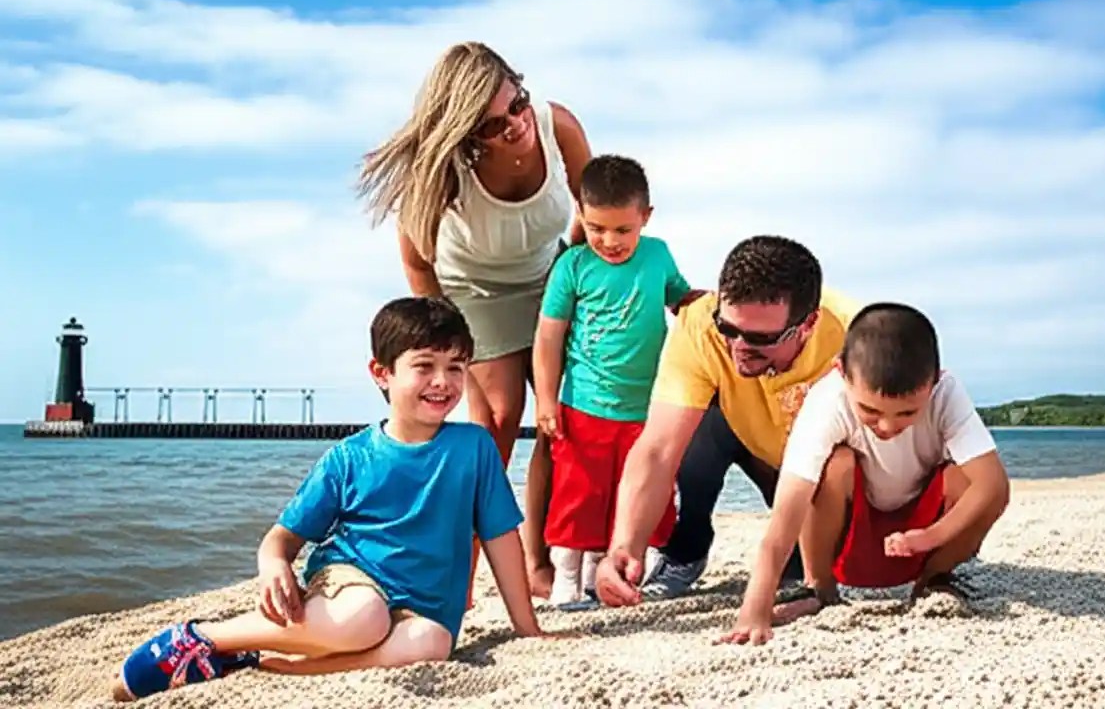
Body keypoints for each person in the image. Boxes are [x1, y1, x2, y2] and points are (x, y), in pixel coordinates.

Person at [108, 297, 548, 702]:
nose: (443, 381)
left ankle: (263, 663)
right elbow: (281, 539)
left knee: (433, 644)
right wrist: (273, 564)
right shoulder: (349, 458)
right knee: (366, 617)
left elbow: (500, 538)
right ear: (382, 373)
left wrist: (527, 629)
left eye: (456, 367)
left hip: (425, 611)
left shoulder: (473, 448)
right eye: (424, 366)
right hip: (353, 584)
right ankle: (205, 637)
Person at [357, 41, 593, 600]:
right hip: (472, 290)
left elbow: (595, 207)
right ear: (463, 136)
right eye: (490, 126)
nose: (514, 126)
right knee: (499, 418)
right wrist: (448, 340)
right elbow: (418, 261)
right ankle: (455, 575)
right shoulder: (438, 171)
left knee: (564, 416)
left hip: (547, 275)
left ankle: (539, 562)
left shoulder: (557, 126)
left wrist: (572, 271)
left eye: (517, 105)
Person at [719, 302, 1011, 646]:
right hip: (849, 539)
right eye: (870, 410)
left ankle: (934, 581)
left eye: (907, 412)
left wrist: (930, 537)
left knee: (970, 477)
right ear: (841, 373)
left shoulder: (946, 393)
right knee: (836, 463)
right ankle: (819, 588)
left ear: (934, 381)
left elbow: (992, 485)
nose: (888, 426)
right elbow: (787, 512)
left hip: (922, 539)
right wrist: (755, 608)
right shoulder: (828, 400)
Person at [594, 235, 860, 607]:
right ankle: (685, 553)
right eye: (729, 328)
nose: (738, 348)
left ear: (808, 324)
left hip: (814, 479)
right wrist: (624, 546)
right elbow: (657, 450)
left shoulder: (856, 334)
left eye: (759, 338)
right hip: (746, 437)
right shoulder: (701, 325)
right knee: (694, 419)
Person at [531, 154, 701, 607]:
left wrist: (705, 304)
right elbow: (548, 336)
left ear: (645, 217)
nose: (609, 241)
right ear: (582, 218)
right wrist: (546, 400)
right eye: (596, 229)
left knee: (631, 492)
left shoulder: (658, 255)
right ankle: (566, 582)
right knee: (579, 494)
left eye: (623, 230)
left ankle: (601, 577)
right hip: (584, 403)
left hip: (647, 406)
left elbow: (681, 299)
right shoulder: (572, 267)